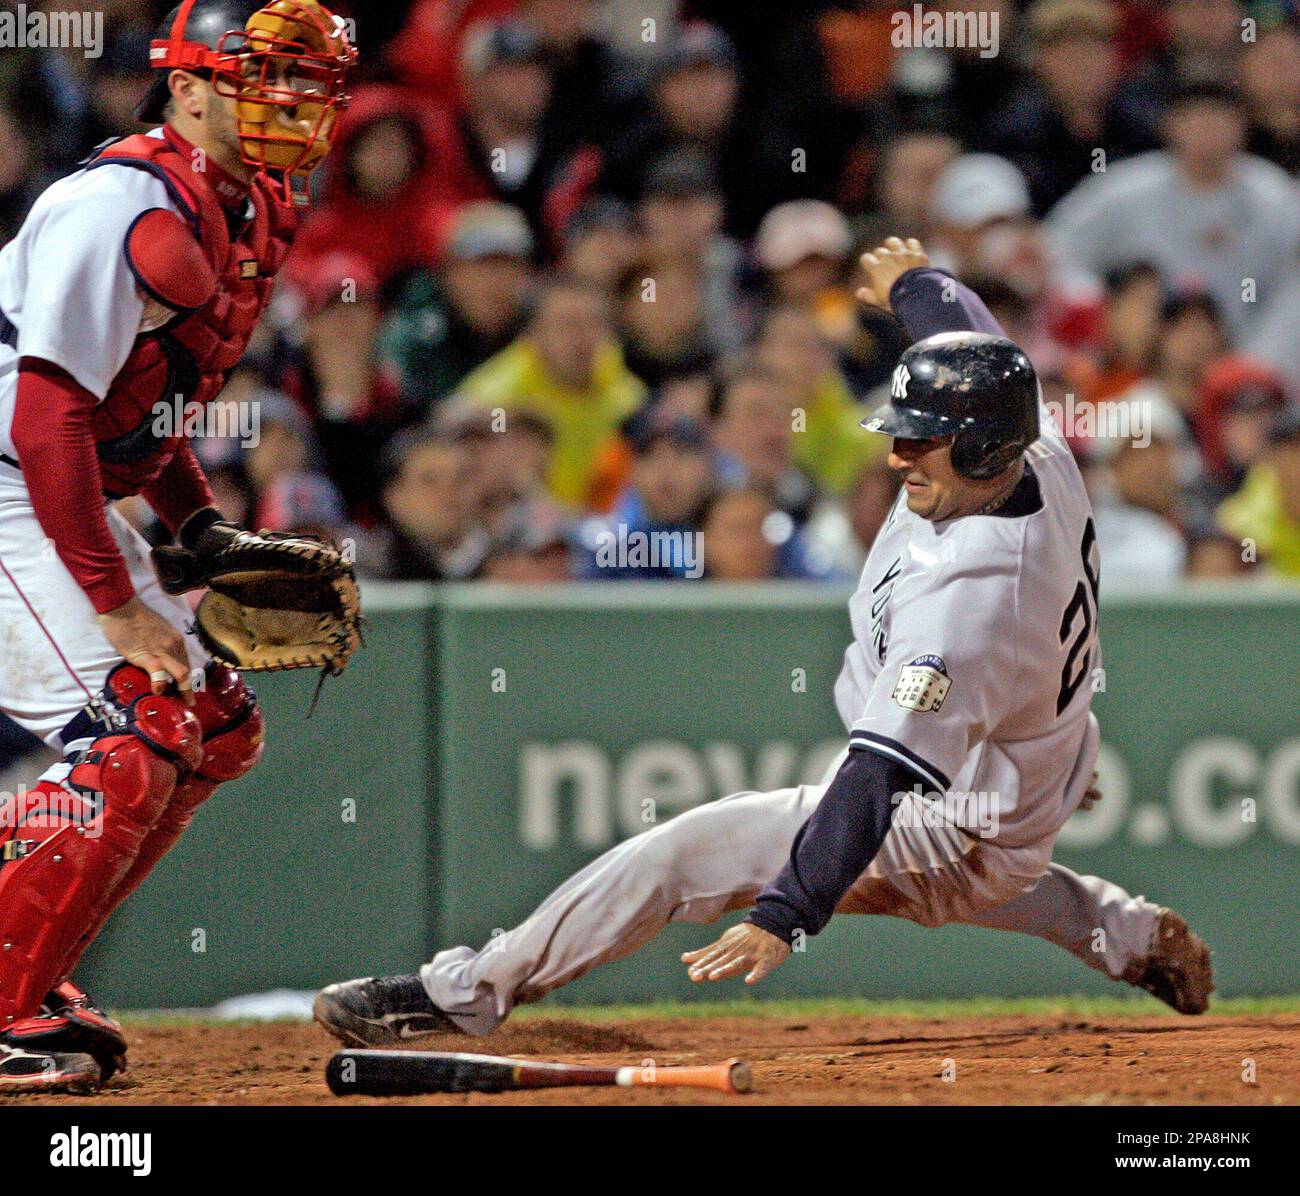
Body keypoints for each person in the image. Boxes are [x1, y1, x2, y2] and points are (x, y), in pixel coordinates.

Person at [313, 237, 1213, 1046]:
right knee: (981, 868)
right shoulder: (1036, 449)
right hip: (1014, 759)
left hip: (953, 803)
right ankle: (1123, 930)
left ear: (983, 451)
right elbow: (982, 341)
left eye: (924, 443)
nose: (899, 457)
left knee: (684, 855)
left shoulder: (973, 599)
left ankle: (465, 993)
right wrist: (916, 286)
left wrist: (786, 912)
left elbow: (877, 782)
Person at [0, 0, 355, 1092]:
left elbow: (141, 408)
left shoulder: (241, 204)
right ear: (186, 84)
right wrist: (118, 601)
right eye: (262, 74)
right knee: (135, 712)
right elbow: (48, 415)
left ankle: (31, 971)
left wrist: (195, 526)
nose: (290, 101)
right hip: (12, 475)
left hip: (45, 484)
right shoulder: (117, 205)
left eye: (305, 79)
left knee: (214, 725)